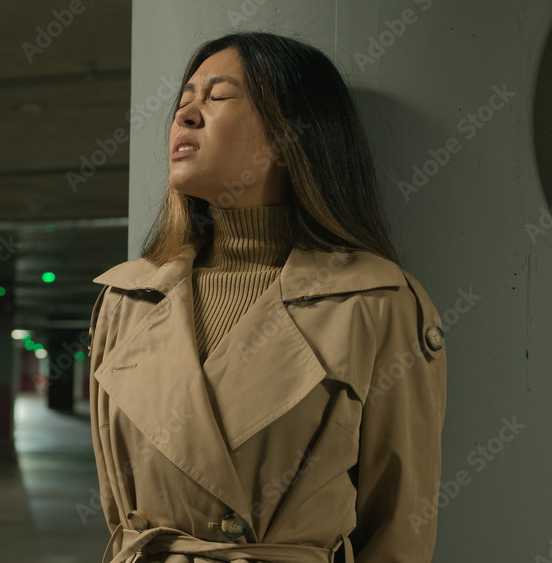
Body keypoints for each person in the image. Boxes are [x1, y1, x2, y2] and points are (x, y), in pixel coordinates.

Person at [88, 31, 447, 563]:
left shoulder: (377, 303)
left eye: (217, 97)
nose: (185, 116)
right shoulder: (127, 297)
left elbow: (400, 527)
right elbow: (119, 513)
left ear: (288, 139)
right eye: (184, 100)